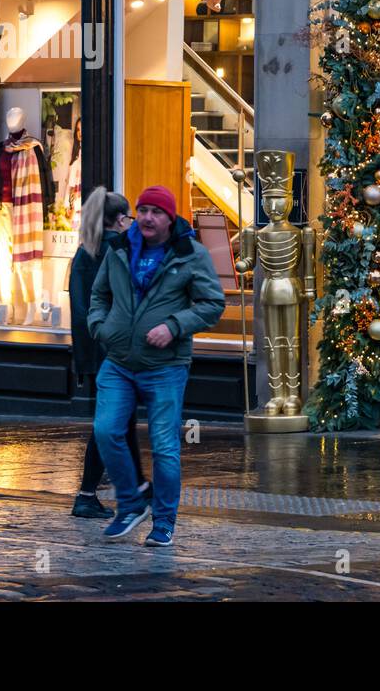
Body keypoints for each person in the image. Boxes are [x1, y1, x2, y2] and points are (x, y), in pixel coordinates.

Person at [89, 185, 225, 546]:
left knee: (164, 447)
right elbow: (99, 294)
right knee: (105, 431)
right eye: (143, 210)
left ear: (170, 218)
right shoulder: (119, 248)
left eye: (156, 212)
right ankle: (131, 504)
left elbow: (212, 303)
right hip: (118, 362)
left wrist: (174, 326)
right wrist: (100, 327)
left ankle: (163, 522)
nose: (147, 218)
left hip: (165, 367)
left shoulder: (189, 254)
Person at [68, 187, 148, 518]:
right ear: (119, 220)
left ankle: (141, 488)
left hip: (96, 349)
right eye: (129, 217)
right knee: (110, 424)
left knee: (121, 423)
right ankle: (86, 495)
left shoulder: (85, 252)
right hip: (112, 351)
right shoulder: (114, 249)